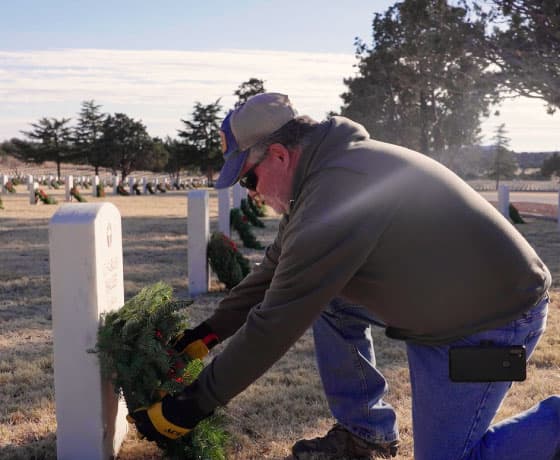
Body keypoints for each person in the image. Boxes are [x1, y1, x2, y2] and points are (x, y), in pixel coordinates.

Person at [130, 93, 559, 459]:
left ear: (279, 155)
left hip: (491, 319)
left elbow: (276, 320)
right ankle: (364, 432)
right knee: (332, 302)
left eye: (249, 179)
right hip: (444, 310)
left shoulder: (337, 191)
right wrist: (205, 334)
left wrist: (190, 407)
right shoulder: (323, 177)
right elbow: (274, 272)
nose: (253, 193)